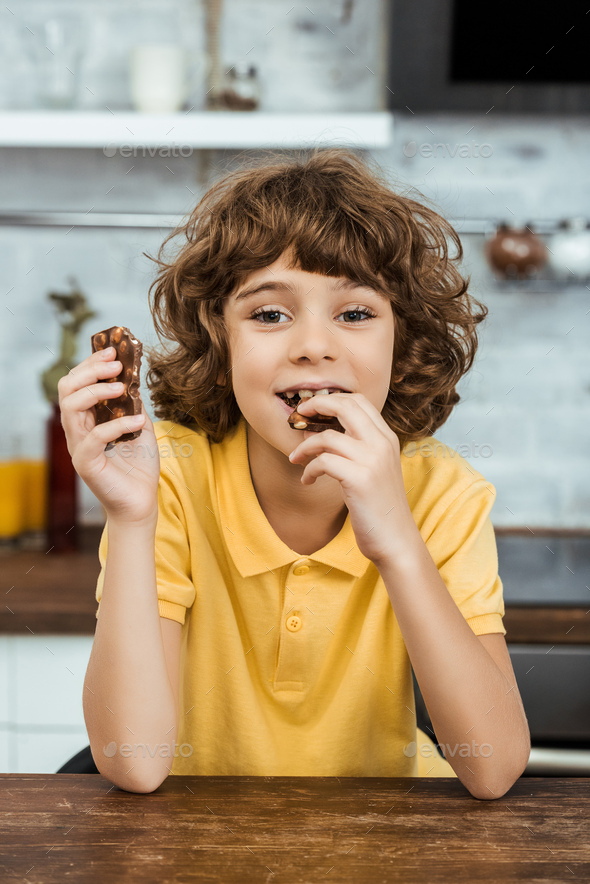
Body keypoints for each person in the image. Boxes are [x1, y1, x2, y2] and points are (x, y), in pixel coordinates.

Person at [59, 148, 530, 798]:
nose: (313, 344)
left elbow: (495, 767)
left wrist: (396, 538)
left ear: (404, 339)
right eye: (270, 314)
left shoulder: (442, 492)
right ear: (219, 342)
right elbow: (133, 763)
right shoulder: (166, 477)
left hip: (384, 841)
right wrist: (131, 519)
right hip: (197, 842)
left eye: (356, 313)